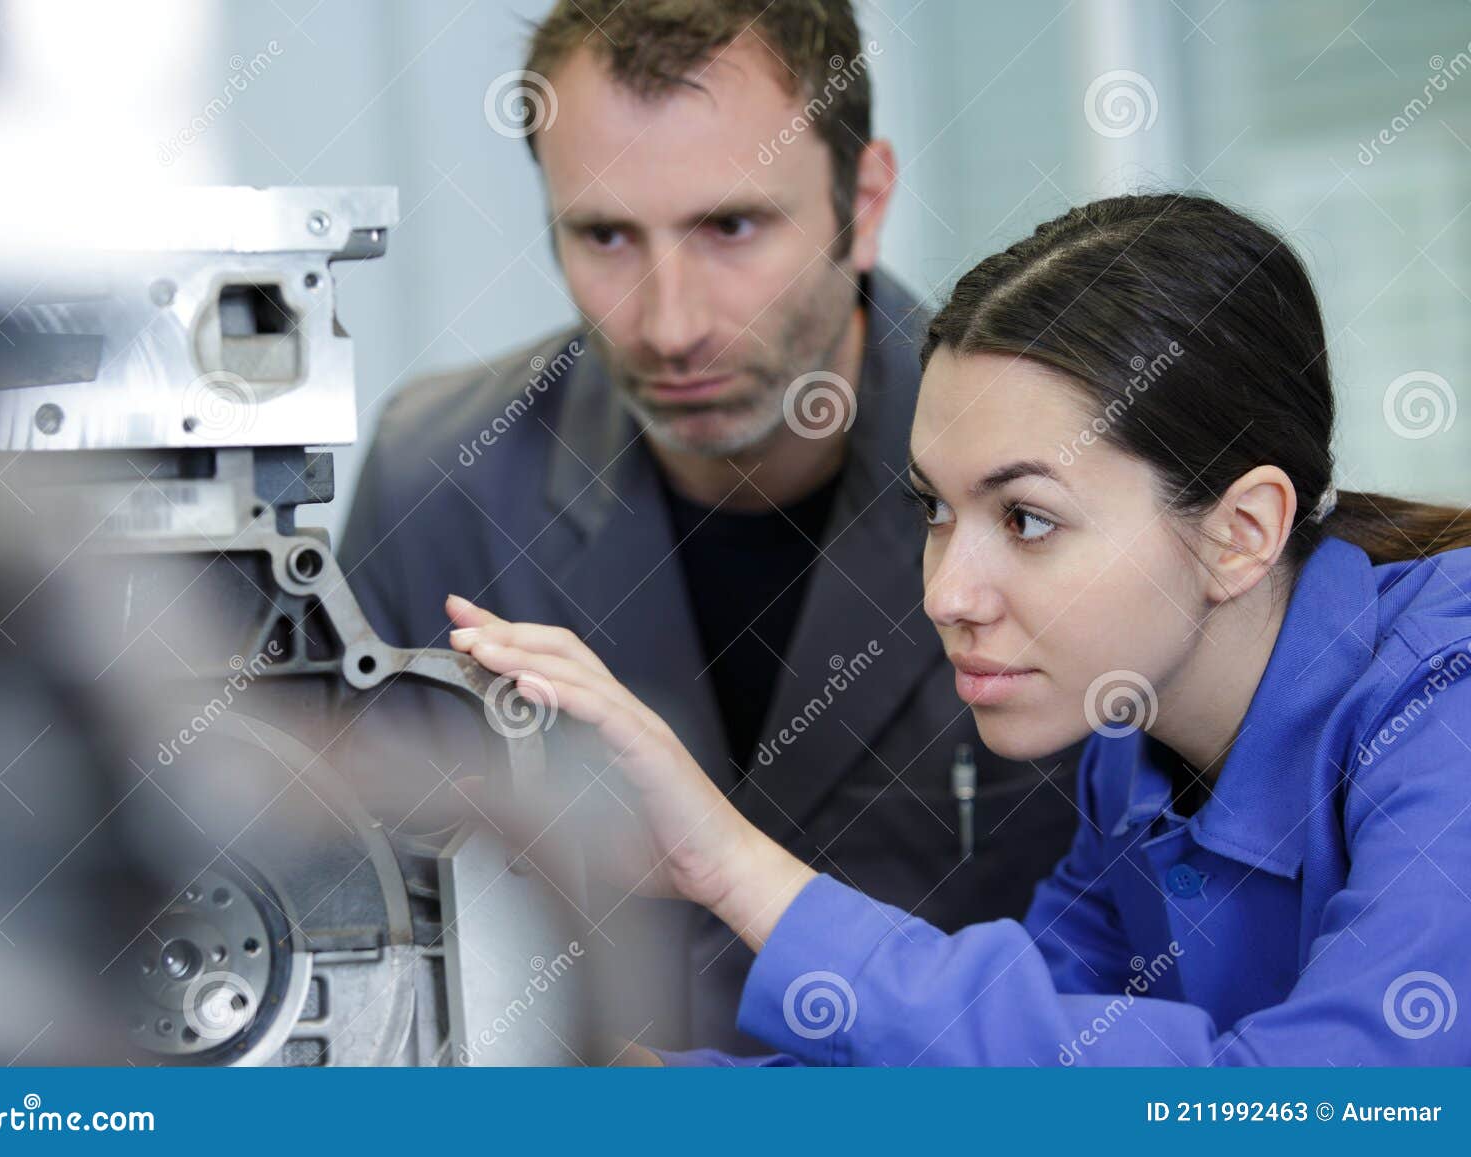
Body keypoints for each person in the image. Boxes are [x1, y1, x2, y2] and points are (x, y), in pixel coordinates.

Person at [445, 193, 1471, 1066]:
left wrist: (735, 866)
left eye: (1026, 518)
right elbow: (988, 1082)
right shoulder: (1129, 753)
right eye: (935, 508)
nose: (947, 592)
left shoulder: (1448, 709)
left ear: (1242, 533)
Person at [339, 0, 1082, 1053]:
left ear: (862, 202)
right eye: (603, 234)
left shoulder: (1071, 470)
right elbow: (349, 920)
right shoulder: (441, 478)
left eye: (730, 227)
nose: (670, 322)